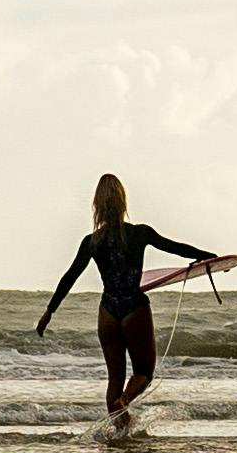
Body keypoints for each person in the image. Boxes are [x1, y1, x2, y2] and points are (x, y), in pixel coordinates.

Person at [36, 172, 224, 428]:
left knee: (115, 379)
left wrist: (49, 312)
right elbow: (175, 247)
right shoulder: (139, 234)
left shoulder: (91, 242)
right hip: (134, 306)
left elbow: (70, 277)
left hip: (108, 311)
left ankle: (120, 434)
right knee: (144, 372)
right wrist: (206, 257)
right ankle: (124, 402)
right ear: (123, 202)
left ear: (97, 206)